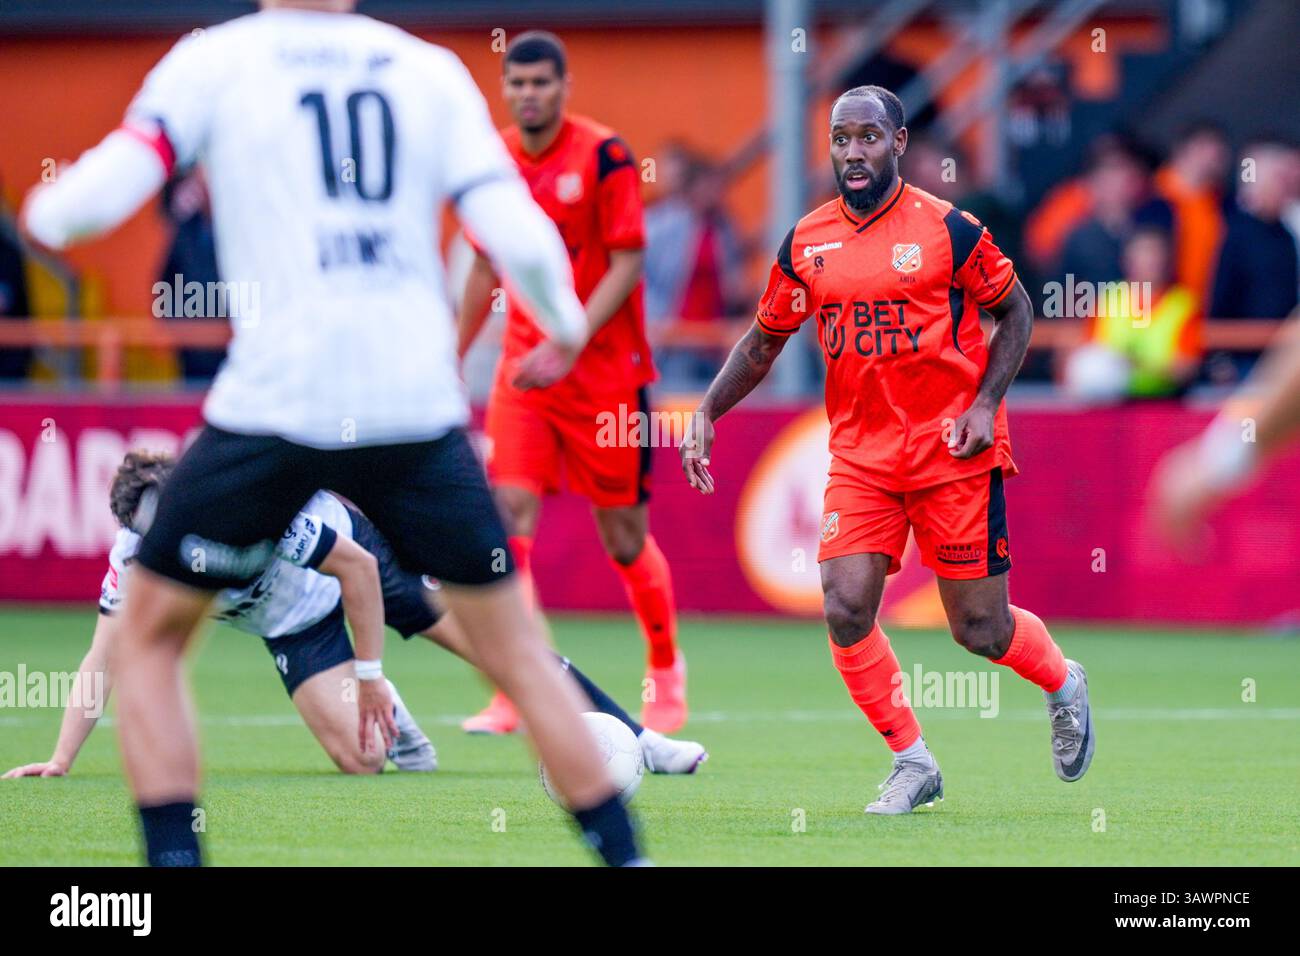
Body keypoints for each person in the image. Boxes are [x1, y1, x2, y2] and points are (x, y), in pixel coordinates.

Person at [19, 0, 645, 867]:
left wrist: (46, 215)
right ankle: (626, 857)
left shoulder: (214, 59)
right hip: (414, 404)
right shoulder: (428, 69)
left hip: (278, 401)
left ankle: (171, 862)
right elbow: (512, 230)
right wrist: (567, 325)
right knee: (518, 656)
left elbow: (86, 207)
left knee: (149, 640)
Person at [680, 85, 1095, 815]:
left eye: (868, 137)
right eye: (841, 139)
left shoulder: (950, 230)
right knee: (844, 605)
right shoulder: (806, 240)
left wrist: (985, 402)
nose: (853, 152)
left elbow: (1017, 310)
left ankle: (1062, 681)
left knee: (980, 629)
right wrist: (708, 410)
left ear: (898, 144)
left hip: (952, 451)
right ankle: (912, 760)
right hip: (862, 456)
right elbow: (763, 340)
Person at [3, 452, 707, 780]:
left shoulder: (247, 509)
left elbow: (359, 571)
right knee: (359, 763)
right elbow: (103, 659)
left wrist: (368, 670)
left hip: (362, 562)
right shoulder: (134, 560)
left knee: (499, 650)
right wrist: (62, 759)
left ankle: (644, 740)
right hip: (290, 623)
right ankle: (391, 720)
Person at [457, 31, 686, 736]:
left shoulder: (606, 156)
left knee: (622, 539)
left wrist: (570, 336)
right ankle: (519, 688)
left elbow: (626, 262)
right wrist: (446, 357)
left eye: (541, 83)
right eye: (516, 83)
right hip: (527, 369)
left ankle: (665, 667)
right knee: (509, 520)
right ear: (505, 89)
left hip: (607, 373)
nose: (529, 94)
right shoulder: (489, 160)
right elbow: (484, 268)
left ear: (564, 86)